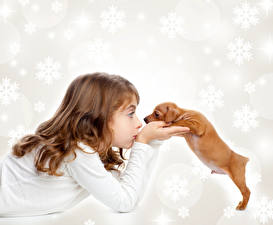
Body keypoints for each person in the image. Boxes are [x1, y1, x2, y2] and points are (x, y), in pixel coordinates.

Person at [0, 72, 190, 217]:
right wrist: (143, 142)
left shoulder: (90, 153)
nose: (139, 123)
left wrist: (152, 142)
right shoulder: (76, 151)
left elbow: (130, 191)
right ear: (99, 117)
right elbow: (125, 203)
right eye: (130, 114)